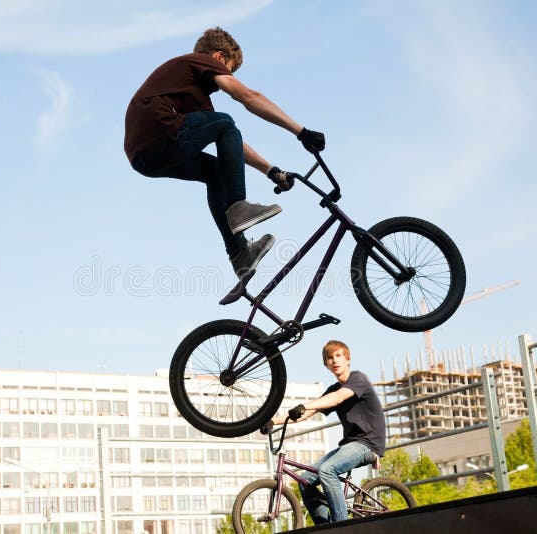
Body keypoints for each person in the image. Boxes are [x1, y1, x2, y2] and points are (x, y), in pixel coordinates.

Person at [124, 27, 325, 281]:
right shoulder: (200, 61)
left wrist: (271, 171)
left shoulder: (192, 96)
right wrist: (301, 131)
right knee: (225, 122)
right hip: (159, 130)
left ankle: (239, 254)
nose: (225, 79)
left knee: (217, 172)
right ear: (218, 58)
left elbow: (231, 139)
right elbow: (248, 97)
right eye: (229, 70)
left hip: (144, 155)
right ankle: (237, 206)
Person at [266, 340, 385, 524]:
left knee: (327, 470)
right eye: (330, 358)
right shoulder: (332, 389)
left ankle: (342, 525)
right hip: (349, 444)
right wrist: (273, 421)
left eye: (338, 356)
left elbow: (337, 399)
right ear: (326, 364)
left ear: (348, 359)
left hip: (367, 444)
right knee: (305, 480)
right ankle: (324, 526)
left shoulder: (358, 379)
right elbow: (307, 414)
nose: (334, 360)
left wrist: (304, 405)